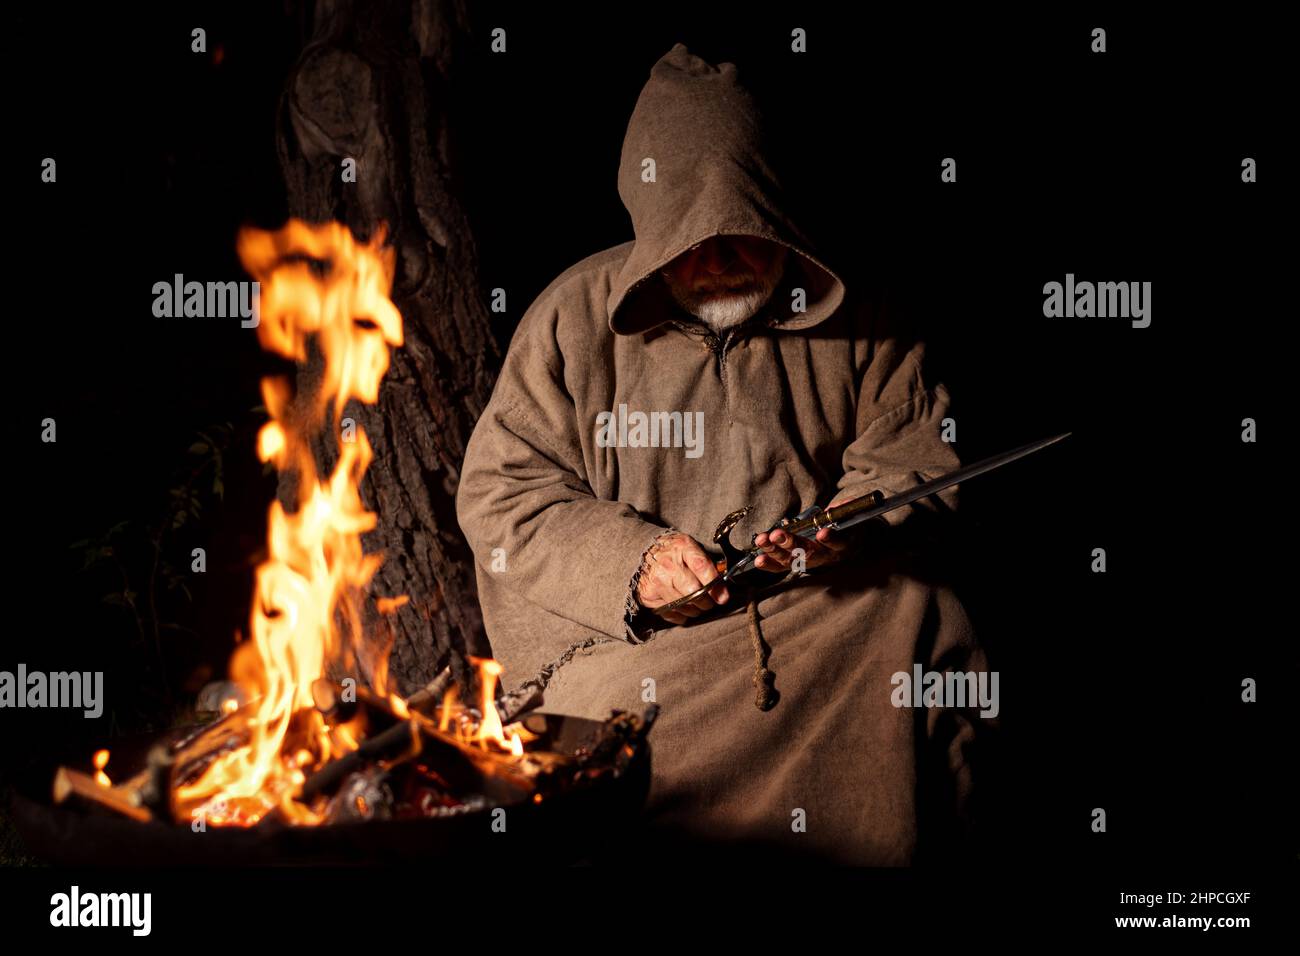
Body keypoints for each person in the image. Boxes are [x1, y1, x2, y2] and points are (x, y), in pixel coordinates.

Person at [455, 43, 990, 863]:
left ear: (778, 211)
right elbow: (501, 495)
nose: (714, 261)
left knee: (921, 616)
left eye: (738, 231)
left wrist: (845, 531)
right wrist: (635, 565)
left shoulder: (869, 314)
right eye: (686, 239)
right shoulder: (570, 317)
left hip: (815, 622)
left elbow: (915, 457)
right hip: (636, 649)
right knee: (608, 726)